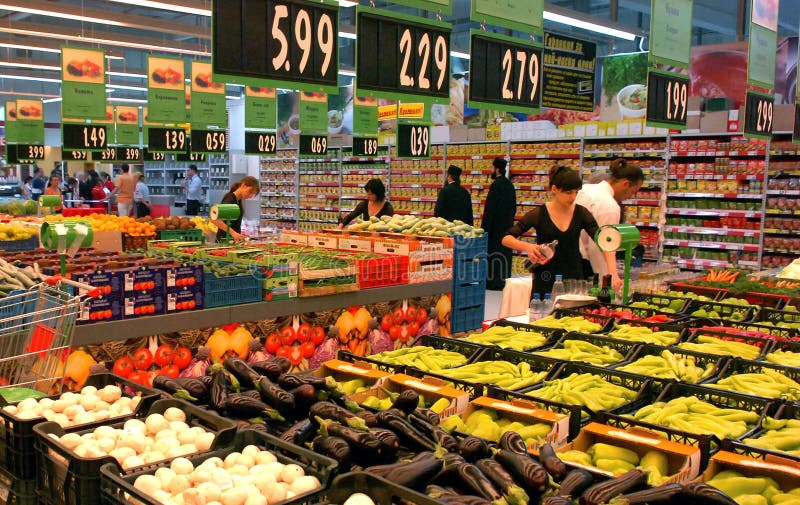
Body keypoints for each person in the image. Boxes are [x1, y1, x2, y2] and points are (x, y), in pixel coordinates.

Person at [502, 166, 622, 299]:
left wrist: (612, 271)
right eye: (569, 192)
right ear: (554, 189)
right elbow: (506, 238)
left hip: (574, 279)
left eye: (576, 192)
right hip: (545, 278)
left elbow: (603, 240)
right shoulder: (538, 214)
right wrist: (528, 247)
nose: (573, 197)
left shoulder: (581, 213)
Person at [576, 158, 644, 278]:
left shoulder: (586, 189)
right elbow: (600, 246)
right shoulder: (609, 206)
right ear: (625, 184)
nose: (630, 197)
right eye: (633, 191)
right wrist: (606, 279)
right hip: (582, 267)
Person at [482, 158, 517, 290]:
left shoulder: (496, 185)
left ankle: (493, 282)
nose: (491, 170)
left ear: (497, 169)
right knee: (505, 255)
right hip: (507, 228)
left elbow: (490, 210)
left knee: (494, 257)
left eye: (492, 168)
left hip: (495, 230)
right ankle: (504, 280)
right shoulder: (510, 185)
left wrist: (485, 229)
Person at [213, 176, 259, 242]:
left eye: (253, 194)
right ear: (243, 185)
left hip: (232, 240)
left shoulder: (238, 200)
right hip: (224, 241)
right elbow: (214, 219)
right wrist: (233, 233)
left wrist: (238, 234)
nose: (251, 196)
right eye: (250, 192)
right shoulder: (230, 199)